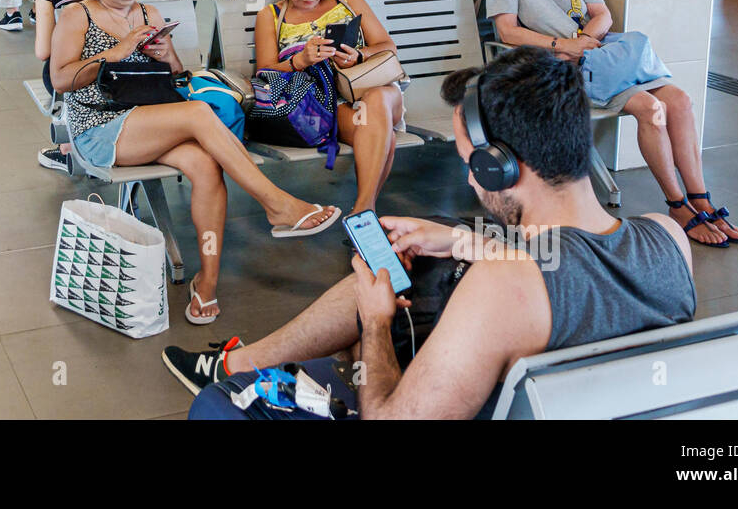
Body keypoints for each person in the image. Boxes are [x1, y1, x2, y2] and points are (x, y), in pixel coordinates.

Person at [162, 46, 697, 419]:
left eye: (471, 163)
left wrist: (372, 325)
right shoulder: (666, 238)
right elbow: (576, 269)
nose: (468, 178)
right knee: (410, 271)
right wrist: (464, 242)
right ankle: (237, 361)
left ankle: (231, 369)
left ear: (500, 168)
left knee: (219, 408)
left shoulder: (505, 289)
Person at [52, 0, 342, 323]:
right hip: (100, 125)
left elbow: (175, 77)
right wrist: (114, 53)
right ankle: (277, 204)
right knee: (199, 113)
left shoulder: (148, 13)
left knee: (206, 166)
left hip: (151, 118)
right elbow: (60, 79)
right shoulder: (77, 16)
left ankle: (206, 283)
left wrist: (166, 54)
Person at [483, 0, 738, 248]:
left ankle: (701, 199)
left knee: (680, 102)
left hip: (598, 58)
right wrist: (564, 44)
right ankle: (677, 205)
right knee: (651, 109)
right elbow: (508, 31)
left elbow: (601, 12)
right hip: (561, 68)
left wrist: (586, 39)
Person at [253, 0, 404, 214]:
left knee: (379, 98)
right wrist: (300, 61)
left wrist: (358, 56)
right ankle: (365, 212)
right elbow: (264, 73)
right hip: (326, 105)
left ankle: (363, 209)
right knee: (383, 135)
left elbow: (387, 46)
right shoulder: (270, 16)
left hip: (371, 87)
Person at [33, 0, 102, 173]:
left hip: (71, 75)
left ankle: (68, 150)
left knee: (58, 67)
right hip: (115, 66)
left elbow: (43, 51)